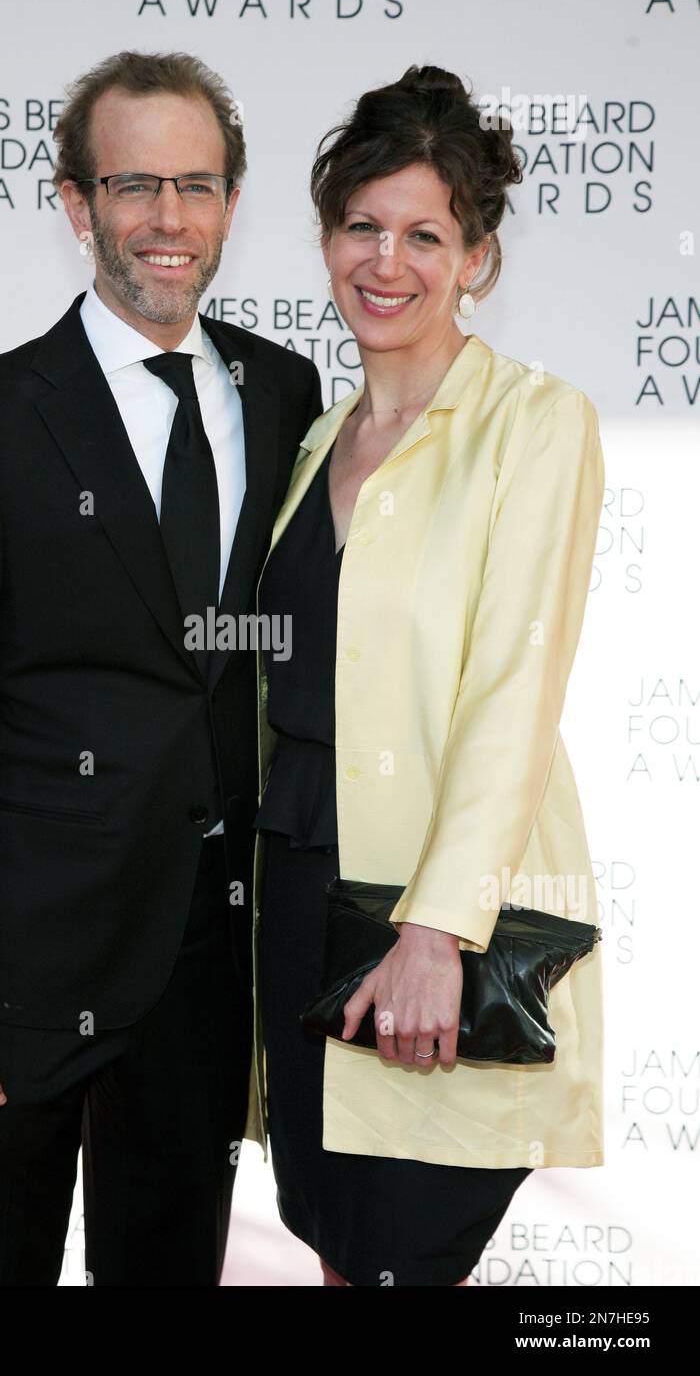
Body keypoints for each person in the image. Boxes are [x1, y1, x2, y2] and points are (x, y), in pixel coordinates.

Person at [0, 49, 322, 1286]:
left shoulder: (284, 393)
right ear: (77, 207)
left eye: (198, 184)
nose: (168, 219)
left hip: (203, 977)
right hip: (11, 985)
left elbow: (245, 657)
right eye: (135, 187)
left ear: (232, 202)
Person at [250, 64, 605, 1287]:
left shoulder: (537, 423)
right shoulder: (309, 438)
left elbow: (516, 687)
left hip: (427, 918)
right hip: (297, 898)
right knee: (339, 1243)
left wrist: (436, 930)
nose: (385, 262)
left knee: (407, 1250)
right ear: (326, 234)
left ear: (477, 258)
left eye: (424, 234)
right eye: (361, 226)